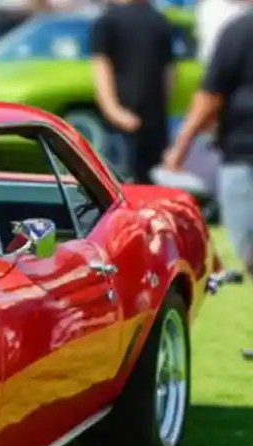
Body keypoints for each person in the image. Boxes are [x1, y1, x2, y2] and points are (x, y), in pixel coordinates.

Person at [164, 6, 253, 359]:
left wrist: (180, 146)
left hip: (245, 156)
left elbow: (210, 95)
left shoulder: (241, 30)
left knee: (248, 247)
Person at [90, 0, 175, 184]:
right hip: (153, 123)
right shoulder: (160, 20)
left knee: (117, 186)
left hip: (121, 122)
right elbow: (169, 76)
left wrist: (113, 110)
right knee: (149, 187)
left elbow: (101, 69)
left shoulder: (107, 20)